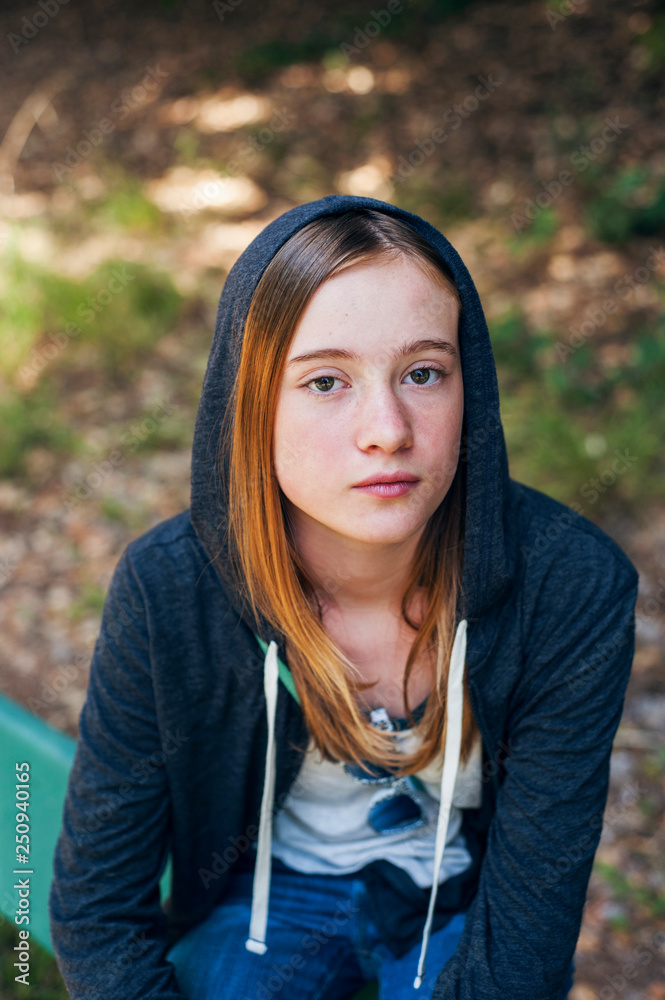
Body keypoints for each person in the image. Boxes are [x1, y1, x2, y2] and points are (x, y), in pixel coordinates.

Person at [49, 194, 638, 1000]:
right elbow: (96, 909)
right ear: (250, 405)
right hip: (267, 897)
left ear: (470, 387)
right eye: (325, 381)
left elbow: (525, 942)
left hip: (463, 904)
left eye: (423, 373)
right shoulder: (170, 590)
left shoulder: (568, 586)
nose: (387, 429)